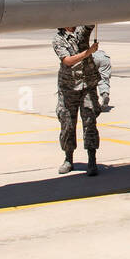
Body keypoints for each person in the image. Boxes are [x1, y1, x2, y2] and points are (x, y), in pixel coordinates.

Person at [52, 26, 101, 175]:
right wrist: (89, 52)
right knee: (67, 124)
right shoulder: (58, 39)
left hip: (87, 85)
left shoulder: (81, 31)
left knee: (90, 123)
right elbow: (67, 61)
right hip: (69, 87)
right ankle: (68, 159)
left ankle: (92, 160)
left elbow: (90, 24)